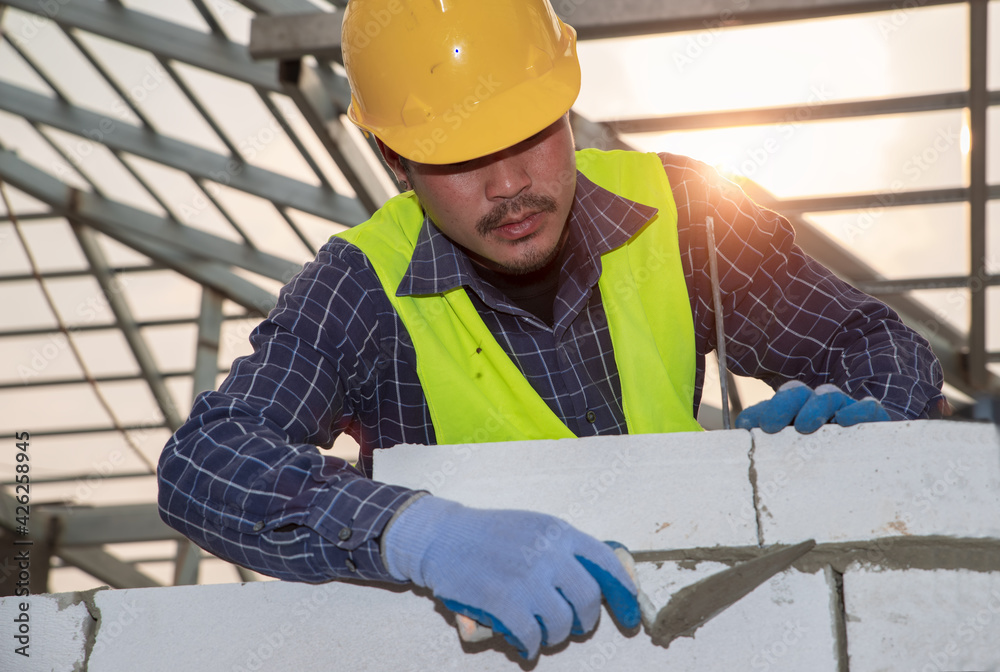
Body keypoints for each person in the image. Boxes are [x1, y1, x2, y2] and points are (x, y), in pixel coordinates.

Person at [157, 0, 945, 661]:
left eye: (528, 131)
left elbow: (878, 345)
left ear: (566, 105)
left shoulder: (683, 213)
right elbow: (206, 464)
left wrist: (866, 413)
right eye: (459, 157)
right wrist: (415, 533)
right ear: (394, 159)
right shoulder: (361, 286)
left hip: (699, 638)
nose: (508, 186)